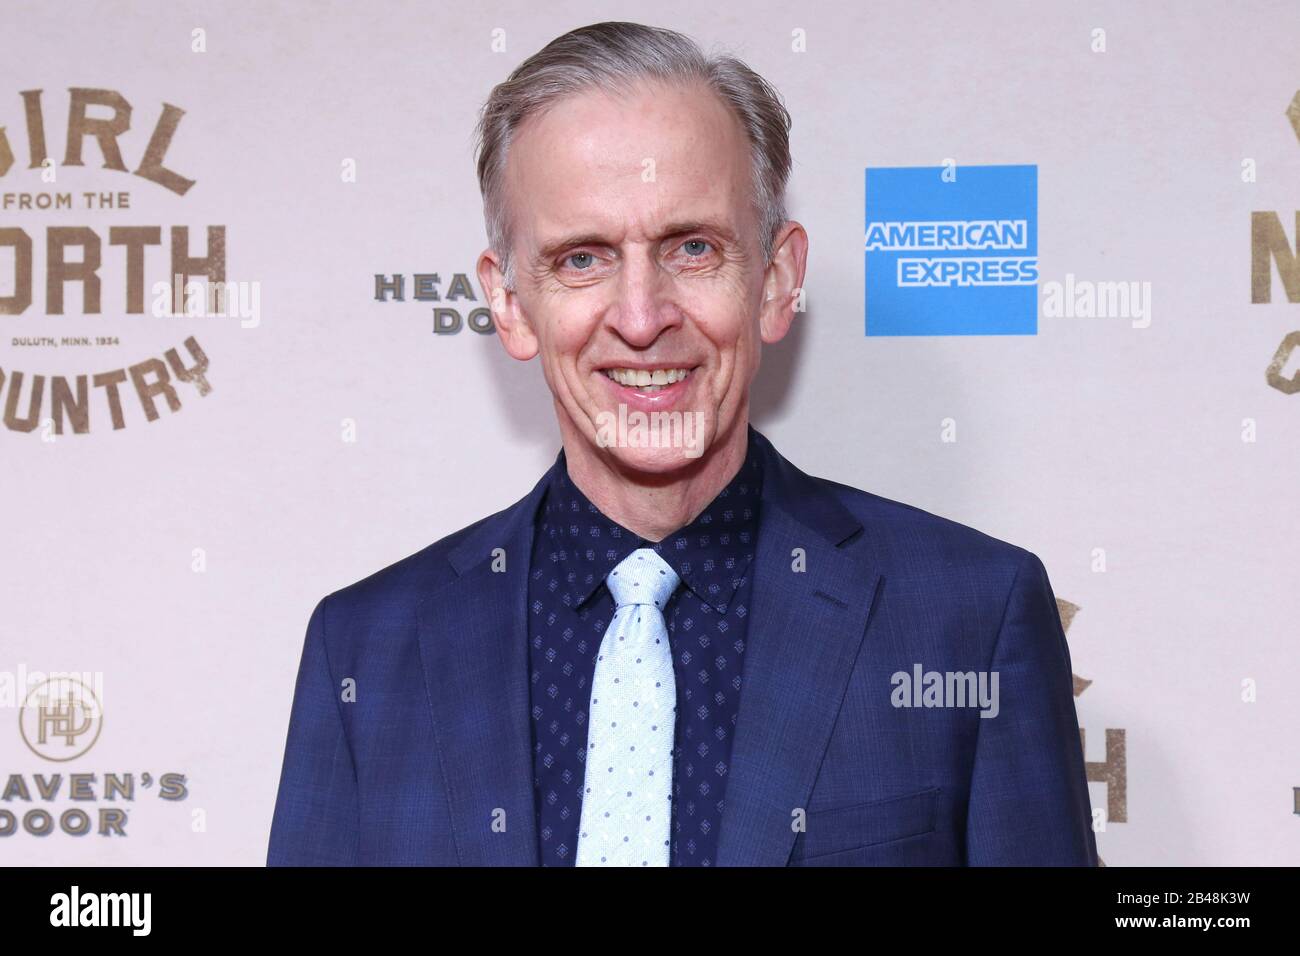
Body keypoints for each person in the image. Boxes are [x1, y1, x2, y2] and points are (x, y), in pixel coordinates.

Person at [267, 20, 1098, 866]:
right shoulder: (367, 649)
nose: (641, 316)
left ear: (775, 282)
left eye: (692, 248)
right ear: (511, 304)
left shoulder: (970, 617)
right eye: (582, 259)